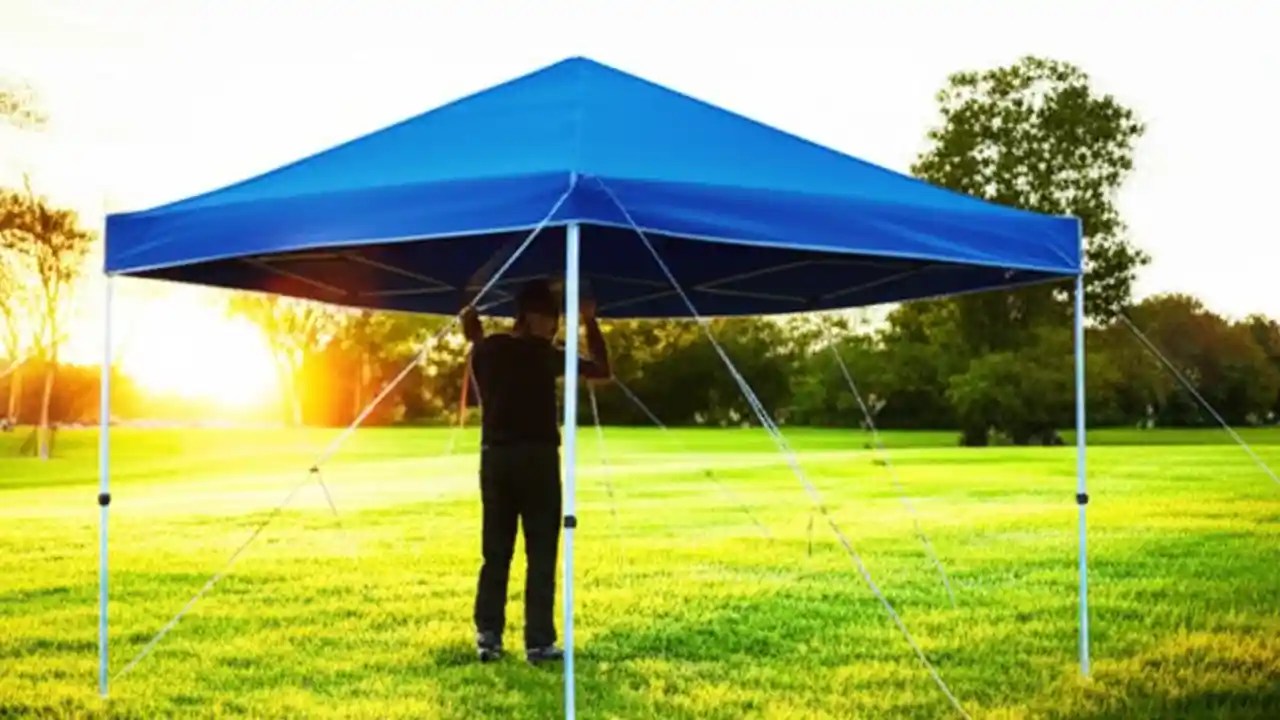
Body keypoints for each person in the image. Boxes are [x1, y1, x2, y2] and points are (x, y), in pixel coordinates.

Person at [460, 278, 611, 663]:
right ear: (528, 317)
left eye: (557, 319)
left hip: (513, 458)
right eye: (550, 318)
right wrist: (589, 322)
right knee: (518, 549)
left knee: (519, 550)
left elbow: (601, 370)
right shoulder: (531, 353)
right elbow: (601, 369)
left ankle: (514, 637)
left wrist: (472, 327)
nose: (555, 326)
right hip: (520, 459)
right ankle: (513, 637)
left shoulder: (506, 349)